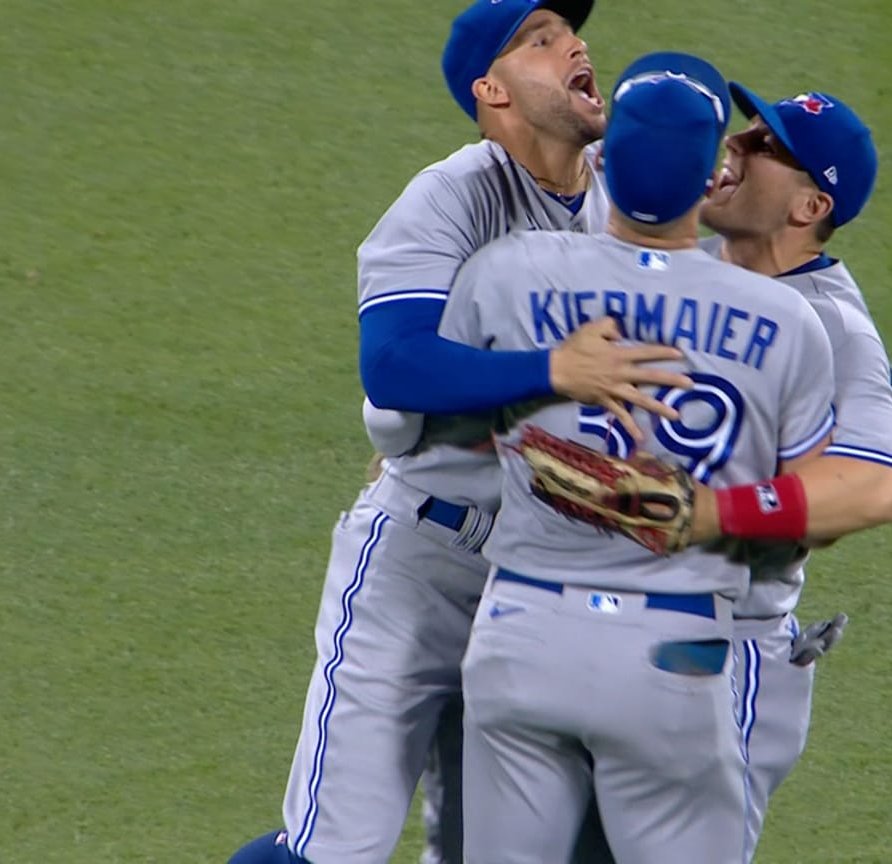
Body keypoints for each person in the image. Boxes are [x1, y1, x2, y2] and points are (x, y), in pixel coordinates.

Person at [225, 2, 691, 862]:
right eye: (541, 41)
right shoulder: (449, 198)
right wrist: (555, 371)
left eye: (573, 33)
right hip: (422, 564)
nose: (575, 47)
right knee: (332, 849)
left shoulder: (631, 198)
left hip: (547, 581)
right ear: (492, 90)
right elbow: (396, 361)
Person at [437, 53, 839, 864]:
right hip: (673, 652)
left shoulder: (507, 270)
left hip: (519, 632)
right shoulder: (790, 321)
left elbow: (428, 426)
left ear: (605, 162)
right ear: (708, 182)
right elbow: (809, 519)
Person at [559, 87, 892, 862]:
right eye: (746, 130)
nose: (738, 146)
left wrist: (709, 513)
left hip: (718, 662)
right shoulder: (692, 265)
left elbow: (875, 488)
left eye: (766, 146)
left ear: (809, 205)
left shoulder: (833, 325)